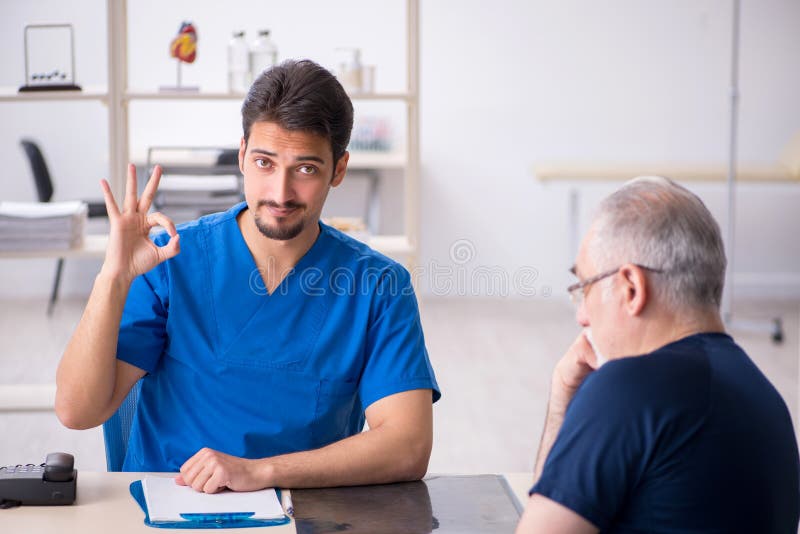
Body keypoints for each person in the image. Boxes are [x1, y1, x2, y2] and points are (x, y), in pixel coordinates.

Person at [55, 59, 440, 493]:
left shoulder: (377, 286)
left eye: (307, 169)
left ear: (339, 169)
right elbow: (77, 411)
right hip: (170, 505)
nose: (280, 192)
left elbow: (407, 446)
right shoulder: (172, 262)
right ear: (241, 156)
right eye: (264, 163)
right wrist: (112, 278)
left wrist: (261, 472)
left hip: (306, 511)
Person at [516, 176, 799, 533]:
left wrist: (567, 405)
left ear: (632, 288)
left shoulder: (627, 390)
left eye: (585, 287)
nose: (581, 316)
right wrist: (564, 395)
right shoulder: (767, 401)